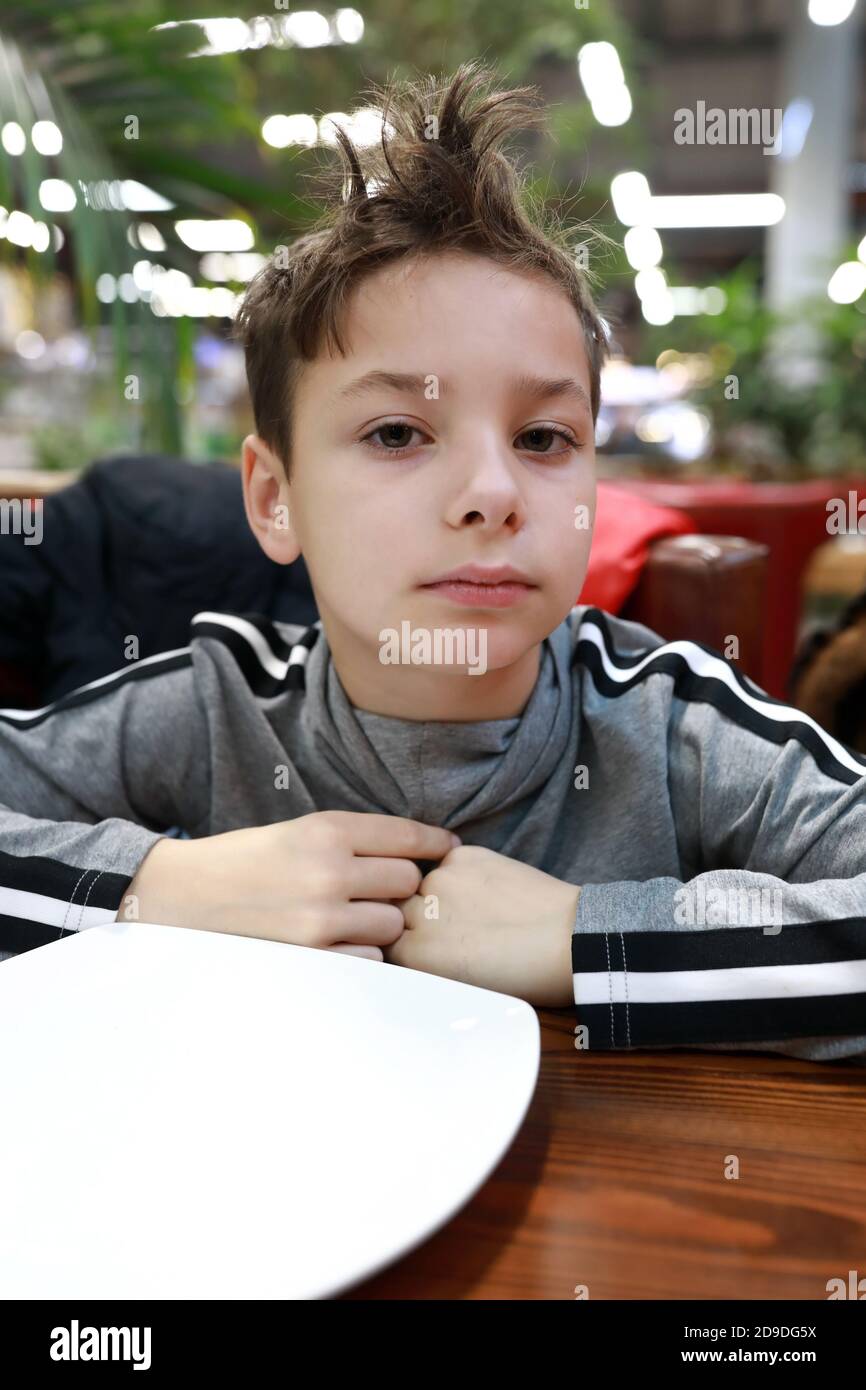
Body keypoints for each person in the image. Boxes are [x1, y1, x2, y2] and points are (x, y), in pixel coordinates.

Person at [1, 62, 864, 1062]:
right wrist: (156, 885)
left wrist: (583, 934)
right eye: (400, 432)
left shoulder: (669, 721)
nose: (492, 492)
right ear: (274, 498)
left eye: (542, 439)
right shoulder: (211, 705)